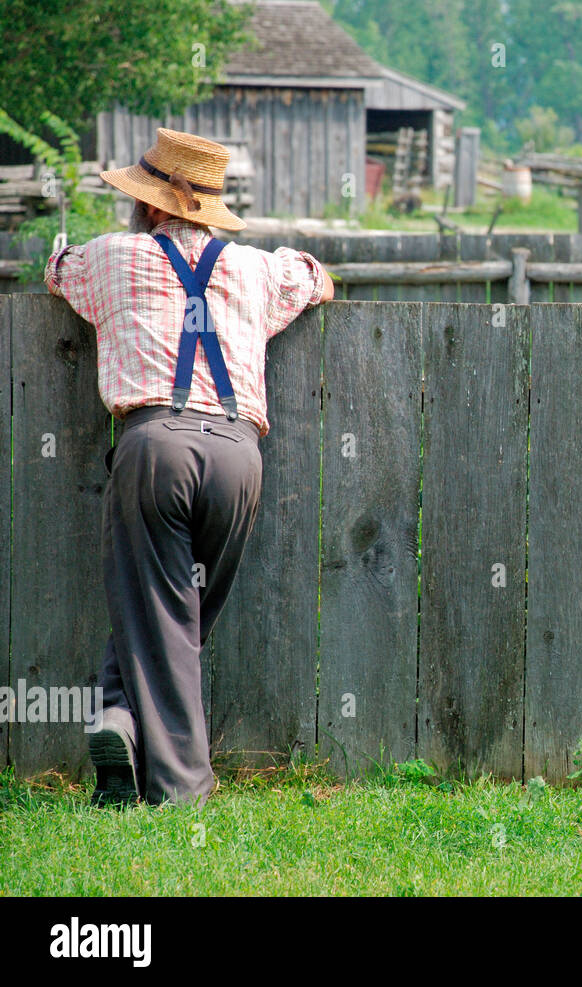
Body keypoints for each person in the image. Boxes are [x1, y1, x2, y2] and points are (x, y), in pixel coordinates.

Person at [43, 127, 334, 807]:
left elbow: (58, 274)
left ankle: (177, 789)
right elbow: (317, 278)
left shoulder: (110, 257)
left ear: (148, 204)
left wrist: (59, 255)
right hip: (238, 456)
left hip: (154, 448)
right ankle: (120, 722)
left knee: (163, 613)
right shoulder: (258, 268)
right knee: (178, 615)